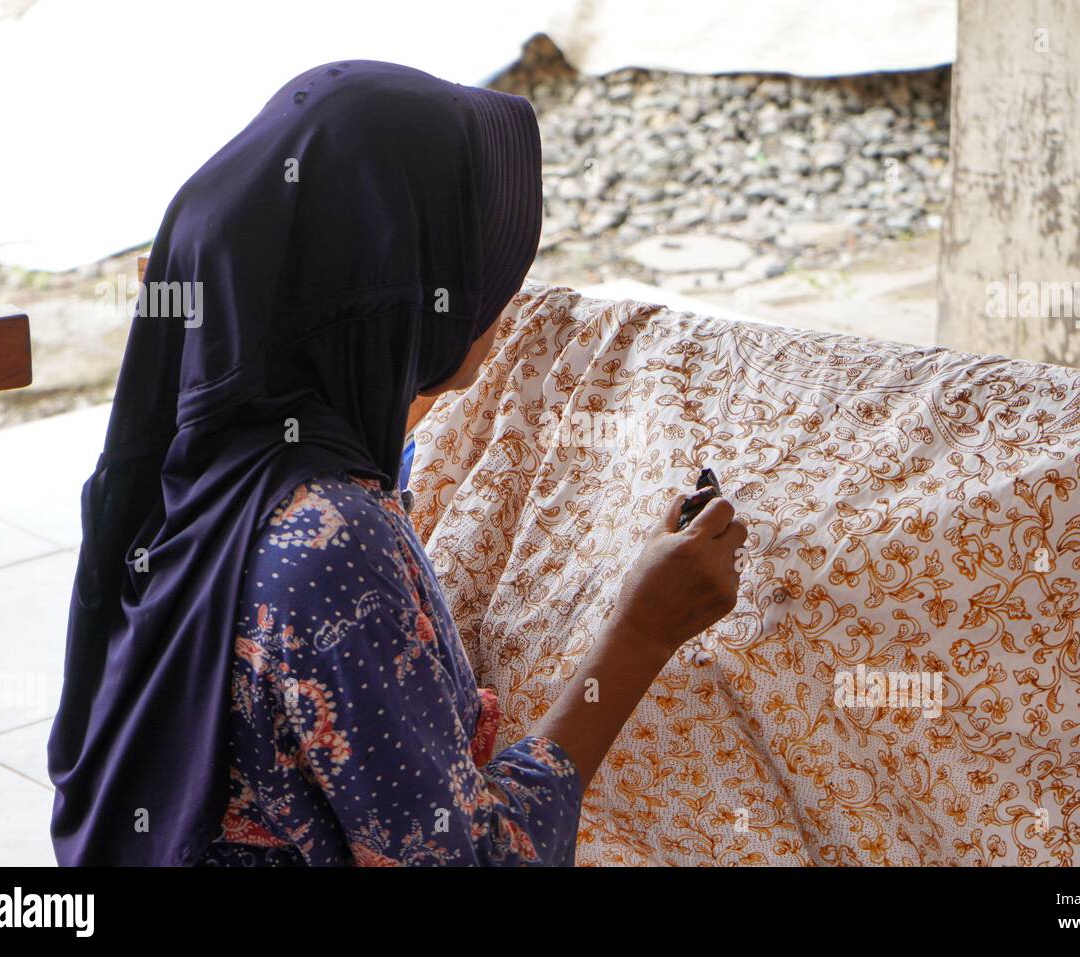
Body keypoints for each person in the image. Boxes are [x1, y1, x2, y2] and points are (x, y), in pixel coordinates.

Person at [48, 60, 746, 866]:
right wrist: (644, 630)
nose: (502, 299)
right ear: (394, 296)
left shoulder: (183, 454)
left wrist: (381, 403)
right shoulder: (333, 540)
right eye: (477, 268)